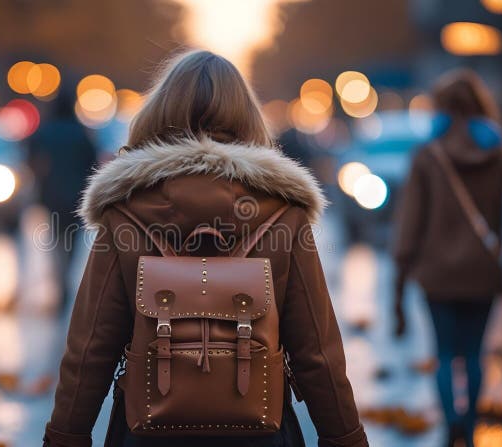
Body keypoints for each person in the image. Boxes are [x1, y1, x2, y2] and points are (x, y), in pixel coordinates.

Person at [43, 50, 368, 447]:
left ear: (159, 113)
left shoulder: (125, 211)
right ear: (247, 117)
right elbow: (317, 352)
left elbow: (90, 348)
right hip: (261, 431)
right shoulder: (284, 213)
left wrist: (65, 437)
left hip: (147, 432)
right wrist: (346, 438)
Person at [392, 70, 502, 447]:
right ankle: (470, 429)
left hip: (437, 273)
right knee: (474, 353)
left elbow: (410, 225)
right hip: (484, 270)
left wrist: (399, 283)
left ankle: (450, 427)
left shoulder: (428, 156)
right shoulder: (499, 154)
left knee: (444, 354)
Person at [28, 80, 98, 311]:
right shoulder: (80, 132)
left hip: (52, 195)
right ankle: (65, 278)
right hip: (77, 197)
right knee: (71, 242)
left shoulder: (45, 132)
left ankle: (61, 282)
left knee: (56, 241)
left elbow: (32, 160)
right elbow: (93, 164)